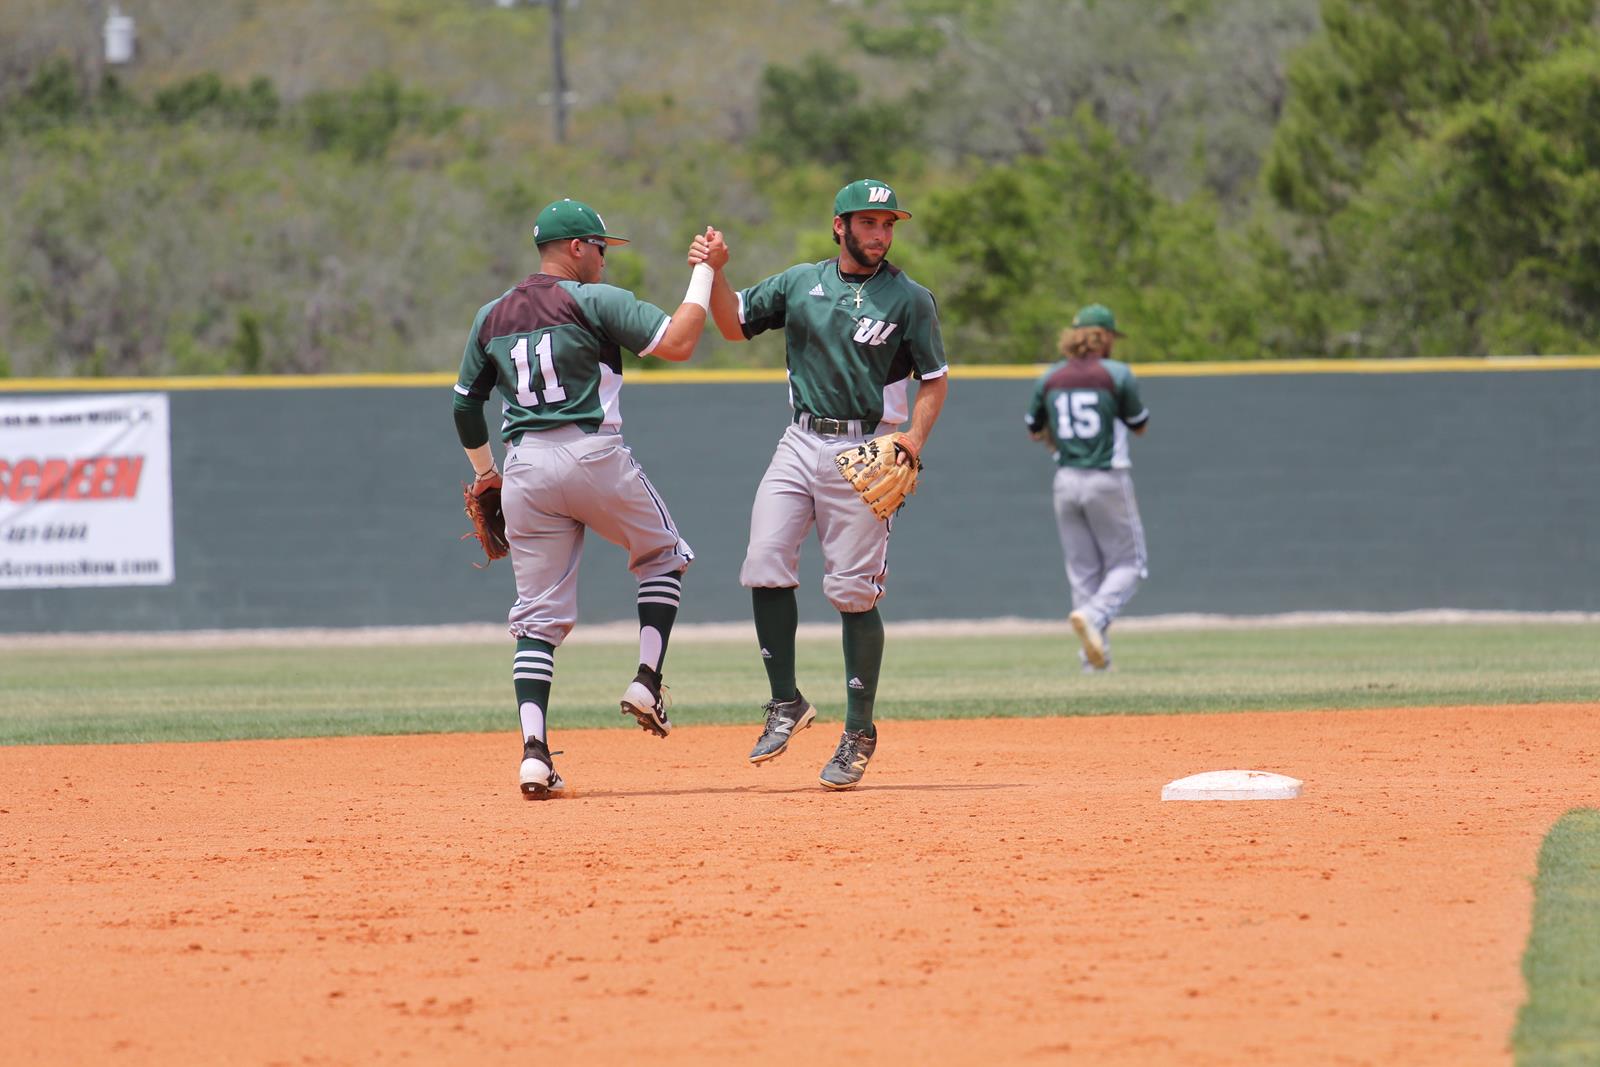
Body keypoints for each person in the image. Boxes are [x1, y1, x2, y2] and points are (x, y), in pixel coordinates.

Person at [451, 198, 715, 799]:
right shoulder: (592, 300)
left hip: (524, 469)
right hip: (592, 452)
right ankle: (647, 679)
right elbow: (678, 342)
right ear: (575, 248)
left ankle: (534, 755)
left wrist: (486, 473)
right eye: (599, 246)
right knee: (664, 555)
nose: (603, 256)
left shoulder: (490, 316)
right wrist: (705, 271)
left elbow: (465, 403)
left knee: (536, 617)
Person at [692, 178, 949, 790]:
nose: (881, 235)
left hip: (866, 446)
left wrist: (912, 440)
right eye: (869, 223)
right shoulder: (799, 283)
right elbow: (732, 326)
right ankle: (787, 702)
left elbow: (935, 380)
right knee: (763, 562)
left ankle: (859, 729)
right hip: (799, 439)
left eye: (888, 225)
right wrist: (720, 273)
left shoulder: (910, 299)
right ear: (840, 226)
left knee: (852, 592)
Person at [1024, 303, 1151, 673]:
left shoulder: (1050, 377)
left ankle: (1093, 663)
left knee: (1084, 572)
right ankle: (1094, 617)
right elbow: (1139, 424)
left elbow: (1034, 429)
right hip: (1106, 476)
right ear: (1105, 337)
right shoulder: (1116, 374)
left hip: (1065, 480)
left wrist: (1058, 440)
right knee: (1131, 565)